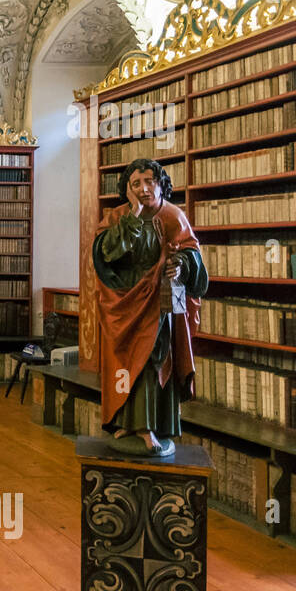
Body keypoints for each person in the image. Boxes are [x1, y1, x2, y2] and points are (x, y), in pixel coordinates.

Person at [92, 158, 208, 456]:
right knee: (124, 362)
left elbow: (191, 253)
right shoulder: (117, 216)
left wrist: (179, 265)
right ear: (127, 190)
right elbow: (105, 254)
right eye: (135, 184)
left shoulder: (173, 215)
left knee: (151, 361)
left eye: (149, 181)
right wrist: (134, 214)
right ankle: (126, 422)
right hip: (125, 301)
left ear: (160, 183)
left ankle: (149, 427)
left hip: (159, 302)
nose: (144, 189)